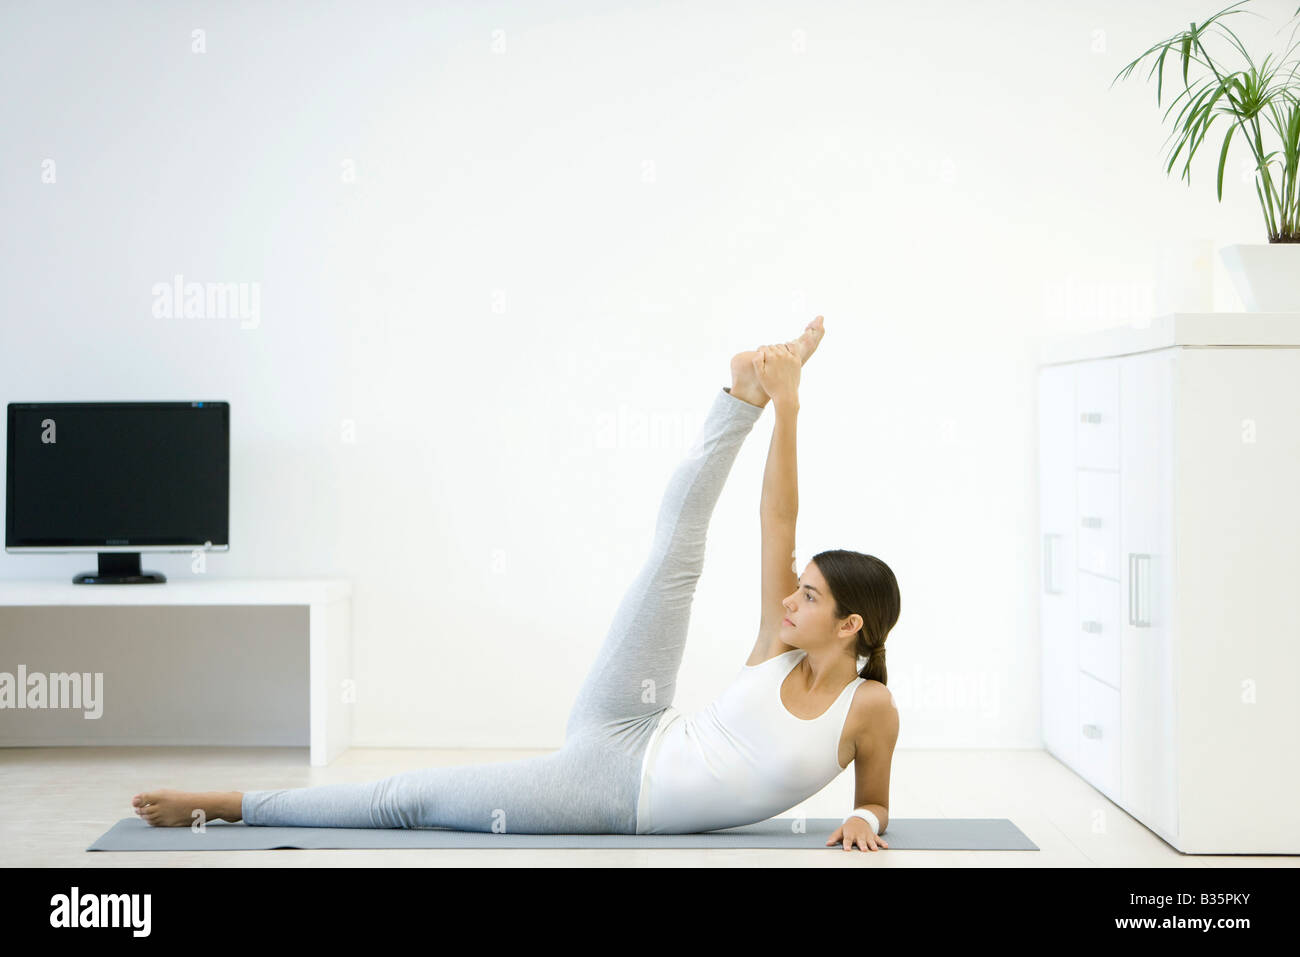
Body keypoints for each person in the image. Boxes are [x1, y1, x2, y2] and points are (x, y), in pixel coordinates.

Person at [132, 315, 901, 851]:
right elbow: (778, 520)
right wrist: (784, 405)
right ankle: (742, 396)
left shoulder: (871, 708)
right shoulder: (779, 649)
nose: (785, 599)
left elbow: (876, 798)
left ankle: (228, 803)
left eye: (807, 596)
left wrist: (867, 815)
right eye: (794, 587)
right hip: (632, 717)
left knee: (414, 801)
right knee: (675, 556)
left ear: (850, 626)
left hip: (608, 791)